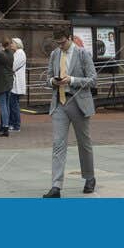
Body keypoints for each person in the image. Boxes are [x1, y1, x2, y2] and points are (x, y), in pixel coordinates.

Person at [42, 29, 98, 197]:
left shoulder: (82, 54)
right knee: (58, 144)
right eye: (58, 43)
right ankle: (56, 186)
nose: (61, 46)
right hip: (59, 103)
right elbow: (48, 77)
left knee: (84, 142)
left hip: (78, 103)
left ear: (70, 38)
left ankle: (89, 177)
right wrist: (53, 81)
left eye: (63, 42)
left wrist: (72, 80)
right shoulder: (55, 54)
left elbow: (93, 79)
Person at [0, 37, 16, 136]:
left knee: (3, 105)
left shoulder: (0, 54)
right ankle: (5, 125)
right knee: (6, 104)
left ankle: (5, 127)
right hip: (9, 81)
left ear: (2, 45)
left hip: (1, 81)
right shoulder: (11, 54)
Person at [9, 37, 27, 133]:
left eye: (13, 43)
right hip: (15, 82)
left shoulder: (20, 53)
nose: (11, 44)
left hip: (16, 82)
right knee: (13, 104)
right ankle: (13, 123)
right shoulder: (17, 53)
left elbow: (13, 66)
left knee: (14, 104)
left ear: (17, 44)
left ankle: (16, 125)